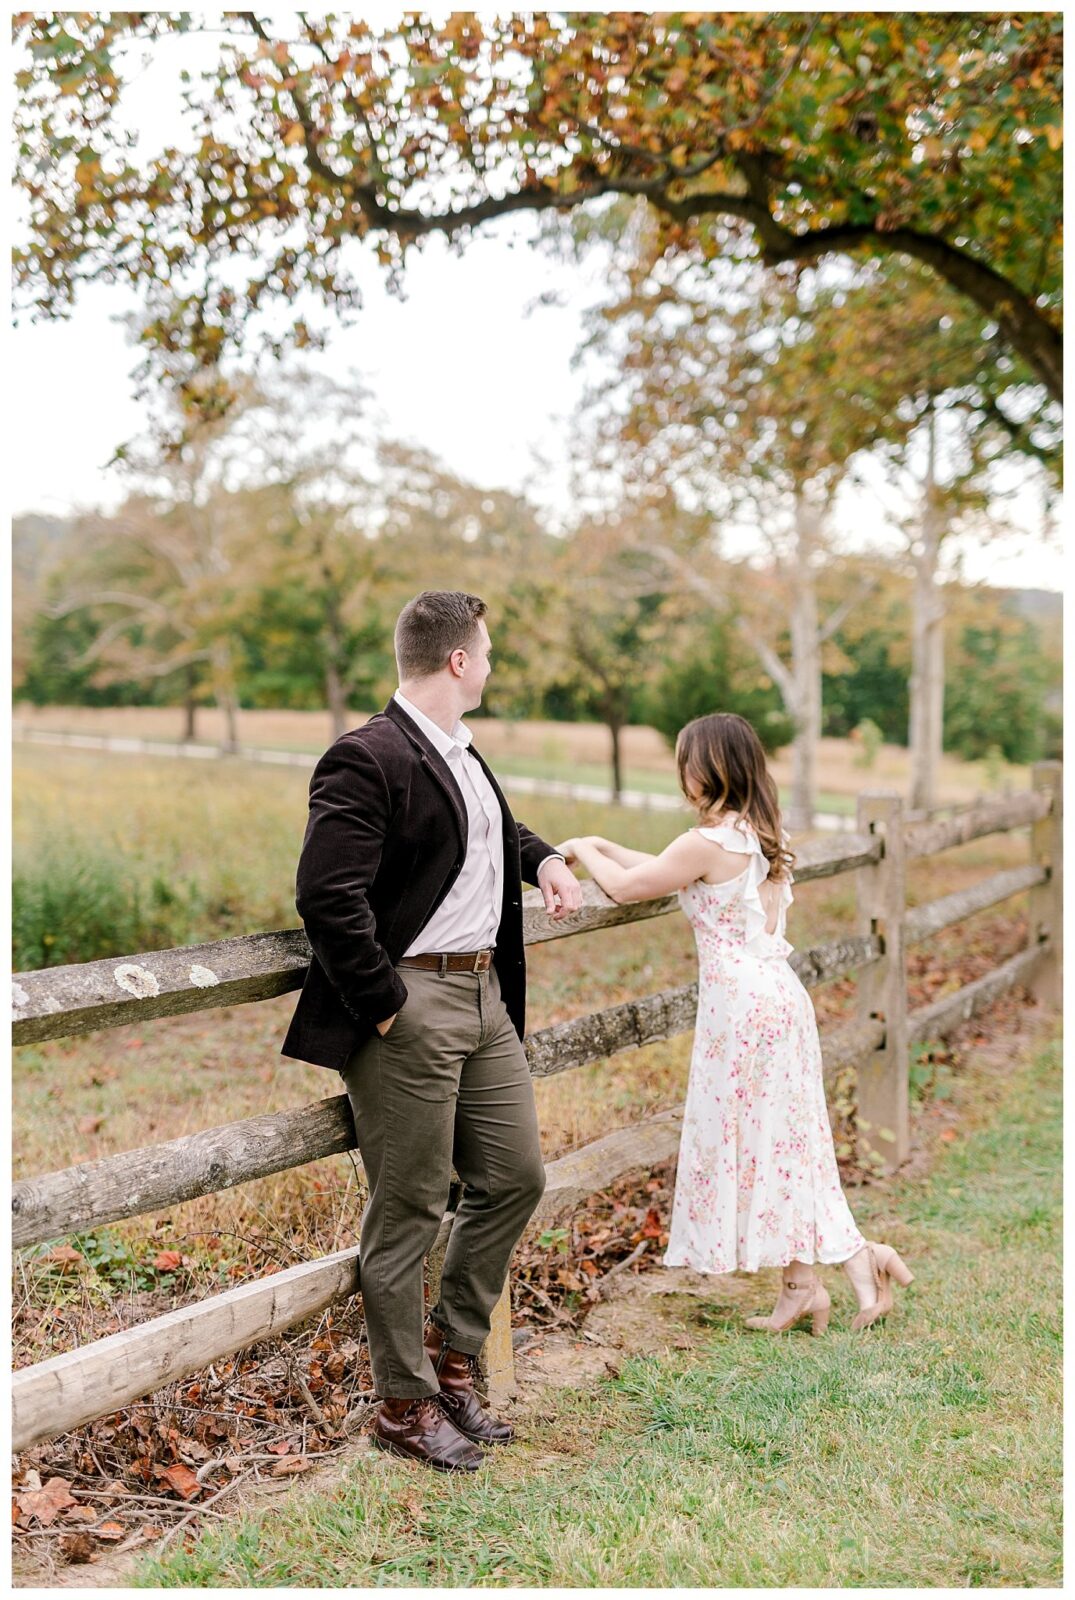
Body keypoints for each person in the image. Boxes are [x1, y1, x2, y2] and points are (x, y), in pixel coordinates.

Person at [282, 590, 582, 1471]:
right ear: (458, 661)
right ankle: (404, 1404)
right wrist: (383, 1004)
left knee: (514, 1177)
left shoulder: (459, 749)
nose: (488, 666)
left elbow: (481, 833)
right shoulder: (365, 755)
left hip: (487, 1001)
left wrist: (547, 857)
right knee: (408, 1204)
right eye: (484, 653)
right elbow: (324, 895)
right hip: (409, 1006)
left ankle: (457, 1360)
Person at [557, 711, 914, 1336]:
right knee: (786, 1148)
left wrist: (585, 848)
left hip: (746, 1015)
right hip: (779, 1001)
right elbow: (666, 869)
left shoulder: (708, 842)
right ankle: (810, 1283)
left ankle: (859, 1258)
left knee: (770, 1147)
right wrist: (609, 847)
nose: (681, 774)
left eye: (685, 762)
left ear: (710, 767)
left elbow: (632, 887)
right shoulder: (752, 835)